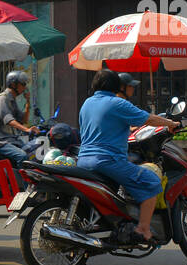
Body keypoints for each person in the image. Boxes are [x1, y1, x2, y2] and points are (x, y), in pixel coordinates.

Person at [76, 69, 180, 242]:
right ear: (118, 86)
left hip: (83, 160)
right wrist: (171, 123)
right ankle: (143, 229)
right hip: (107, 160)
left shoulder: (87, 103)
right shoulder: (117, 103)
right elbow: (148, 119)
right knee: (151, 182)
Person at [0, 70, 34, 167]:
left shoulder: (12, 101)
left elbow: (23, 120)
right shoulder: (2, 100)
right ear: (13, 84)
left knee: (32, 151)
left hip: (12, 139)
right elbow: (9, 120)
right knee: (22, 156)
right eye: (23, 84)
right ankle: (21, 182)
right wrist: (26, 129)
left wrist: (28, 101)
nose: (25, 87)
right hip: (1, 141)